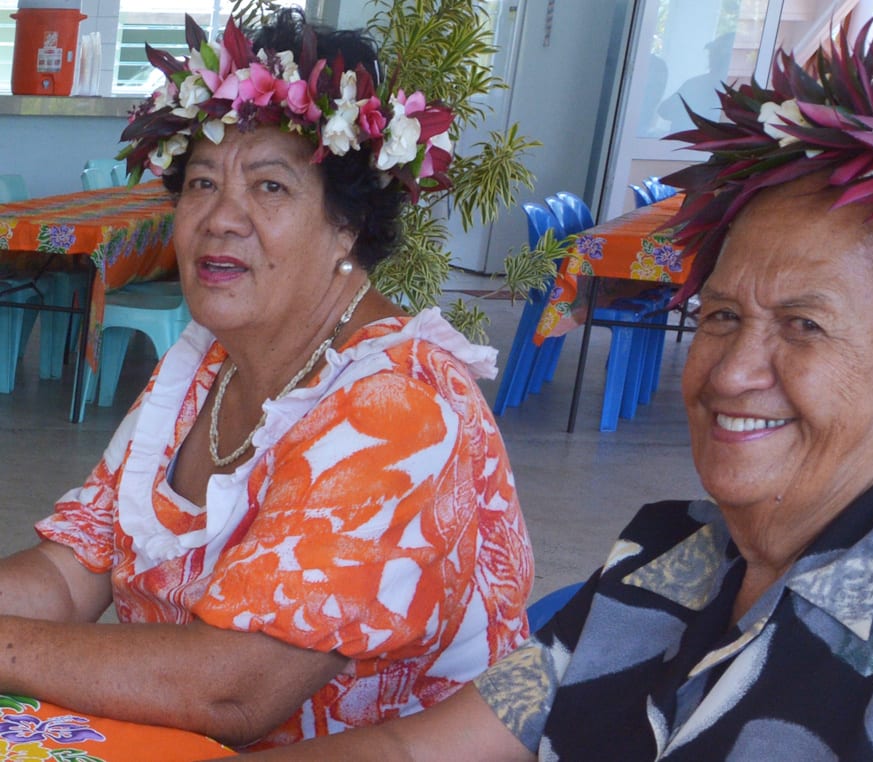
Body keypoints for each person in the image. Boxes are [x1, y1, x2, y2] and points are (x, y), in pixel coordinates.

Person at [244, 24, 873, 761]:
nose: (729, 373)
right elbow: (414, 753)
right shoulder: (670, 557)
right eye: (720, 317)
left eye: (803, 326)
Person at [0, 9, 532, 752]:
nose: (222, 218)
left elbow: (234, 687)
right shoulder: (206, 366)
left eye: (270, 187)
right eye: (200, 184)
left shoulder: (399, 406)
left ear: (348, 223)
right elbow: (70, 572)